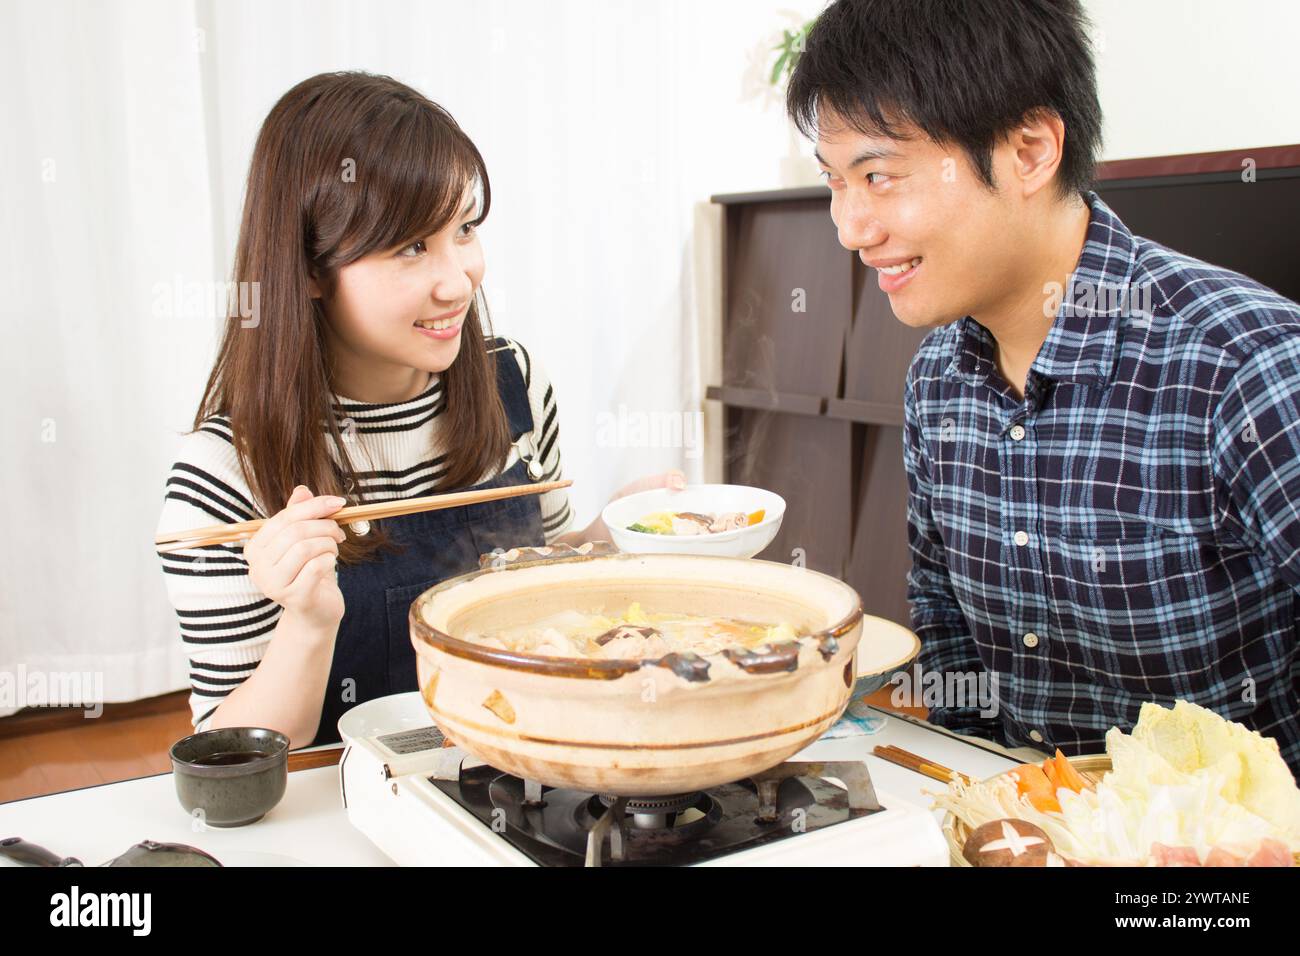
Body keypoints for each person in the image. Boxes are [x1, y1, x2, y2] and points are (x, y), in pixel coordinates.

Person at [787, 0, 1300, 775]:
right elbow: (954, 655)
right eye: (835, 183)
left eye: (880, 176)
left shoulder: (1245, 365)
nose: (851, 227)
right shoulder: (938, 379)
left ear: (1029, 152)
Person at [155, 72, 683, 748]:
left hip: (520, 770)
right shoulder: (224, 474)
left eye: (464, 229)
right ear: (310, 270)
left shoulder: (512, 381)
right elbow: (227, 754)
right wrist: (309, 621)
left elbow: (539, 577)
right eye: (410, 246)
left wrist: (604, 539)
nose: (457, 278)